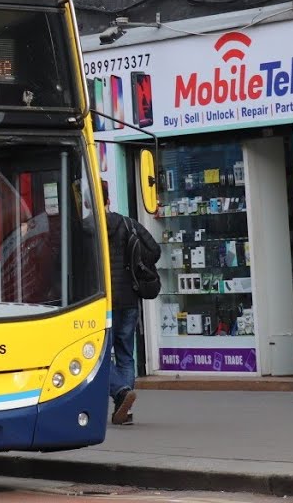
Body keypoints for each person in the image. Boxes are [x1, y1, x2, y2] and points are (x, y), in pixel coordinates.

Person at [103, 180, 160, 426]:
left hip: (101, 303)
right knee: (125, 354)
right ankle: (123, 411)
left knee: (98, 357)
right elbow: (154, 250)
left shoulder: (86, 228)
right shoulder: (128, 223)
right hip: (129, 298)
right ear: (109, 199)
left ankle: (121, 393)